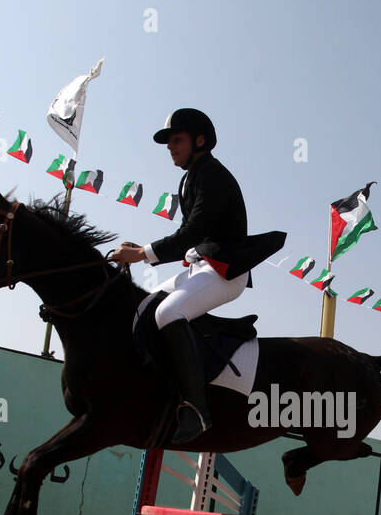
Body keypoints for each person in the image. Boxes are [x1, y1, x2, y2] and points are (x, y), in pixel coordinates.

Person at [113, 108, 277, 444]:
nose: (170, 147)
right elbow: (192, 236)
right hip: (201, 266)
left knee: (168, 312)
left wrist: (142, 253)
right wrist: (142, 249)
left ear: (199, 140)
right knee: (147, 306)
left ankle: (197, 409)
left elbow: (193, 232)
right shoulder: (191, 176)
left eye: (177, 139)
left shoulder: (213, 175)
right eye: (168, 142)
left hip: (225, 273)